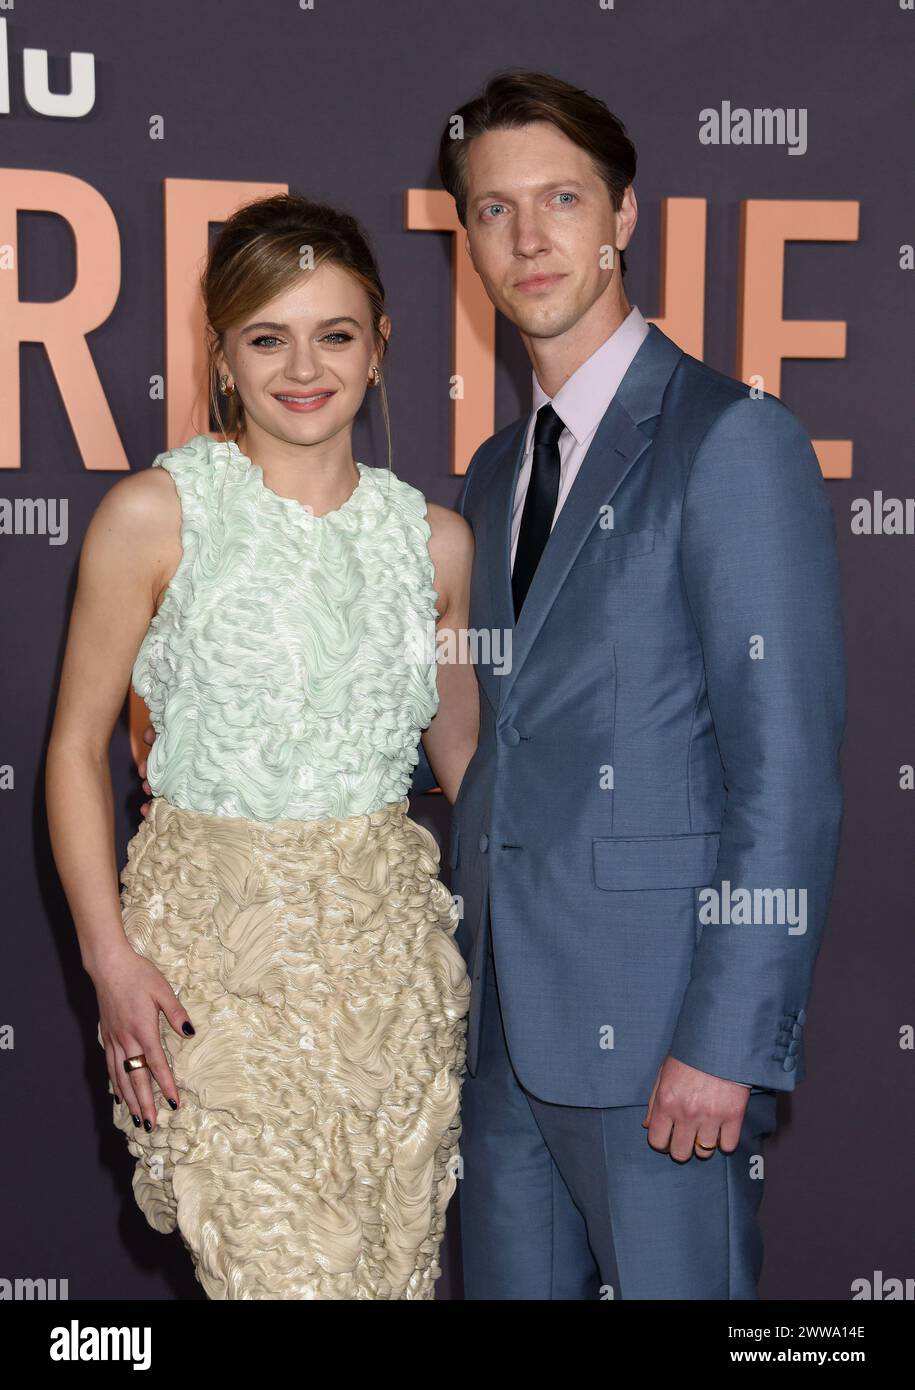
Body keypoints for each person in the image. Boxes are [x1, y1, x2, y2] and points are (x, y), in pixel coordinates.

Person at [421, 70, 847, 1299]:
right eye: (493, 211)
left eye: (561, 198)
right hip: (503, 1041)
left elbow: (786, 772)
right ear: (470, 244)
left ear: (622, 217)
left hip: (665, 1044)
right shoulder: (497, 473)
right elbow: (495, 742)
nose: (530, 235)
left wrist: (727, 1040)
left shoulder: (730, 437)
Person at [45, 193, 477, 1300]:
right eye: (267, 337)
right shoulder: (154, 514)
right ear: (223, 354)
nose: (304, 366)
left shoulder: (435, 542)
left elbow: (467, 755)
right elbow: (73, 749)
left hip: (388, 981)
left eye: (335, 334)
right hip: (213, 972)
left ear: (379, 350)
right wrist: (110, 959)